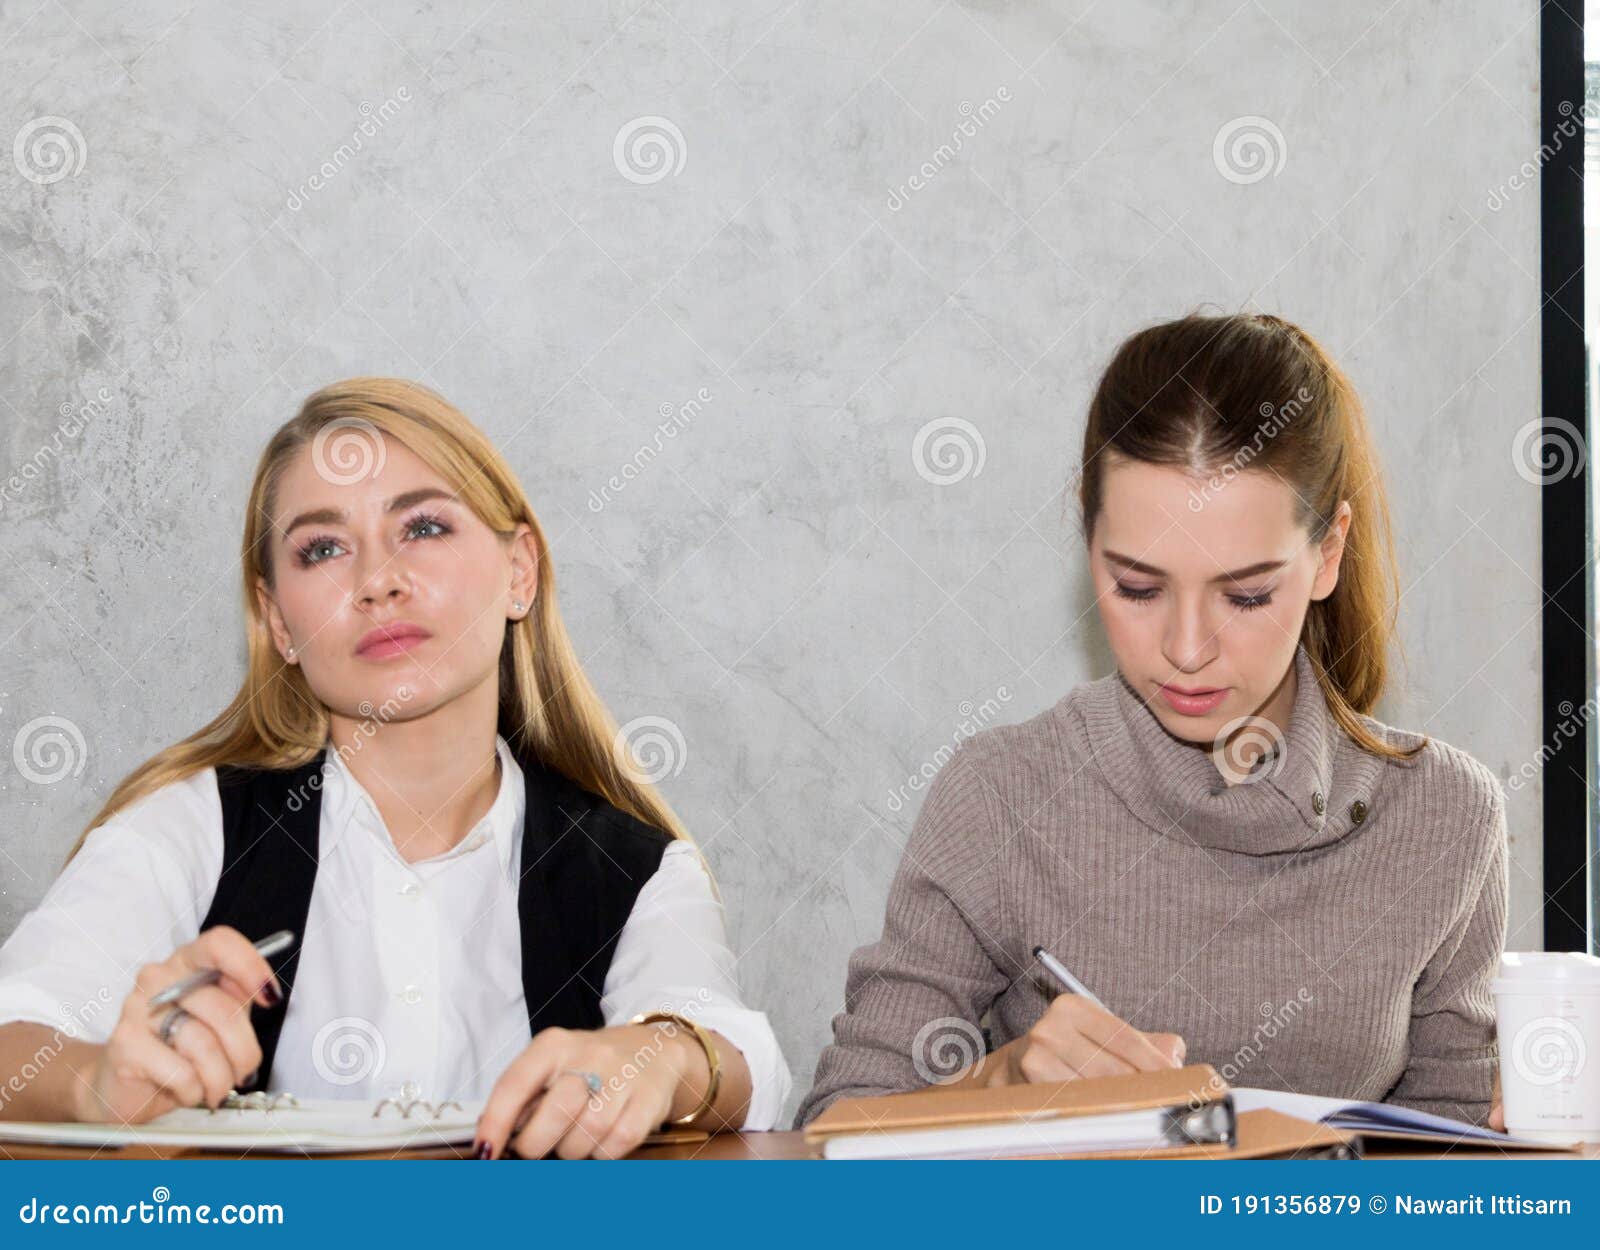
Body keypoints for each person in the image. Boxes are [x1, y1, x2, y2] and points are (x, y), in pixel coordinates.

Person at [0, 377, 789, 1159]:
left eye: (423, 529)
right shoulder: (187, 828)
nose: (378, 580)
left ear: (520, 571)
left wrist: (664, 1060)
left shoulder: (637, 869)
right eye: (324, 549)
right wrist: (95, 1083)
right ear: (278, 621)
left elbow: (734, 1054)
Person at [796, 312, 1507, 1129]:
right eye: (1137, 587)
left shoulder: (1446, 816)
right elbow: (832, 1132)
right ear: (1087, 540)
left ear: (1329, 554)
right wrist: (998, 1087)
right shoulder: (1002, 794)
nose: (1187, 648)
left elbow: (1459, 1170)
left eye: (1245, 595)